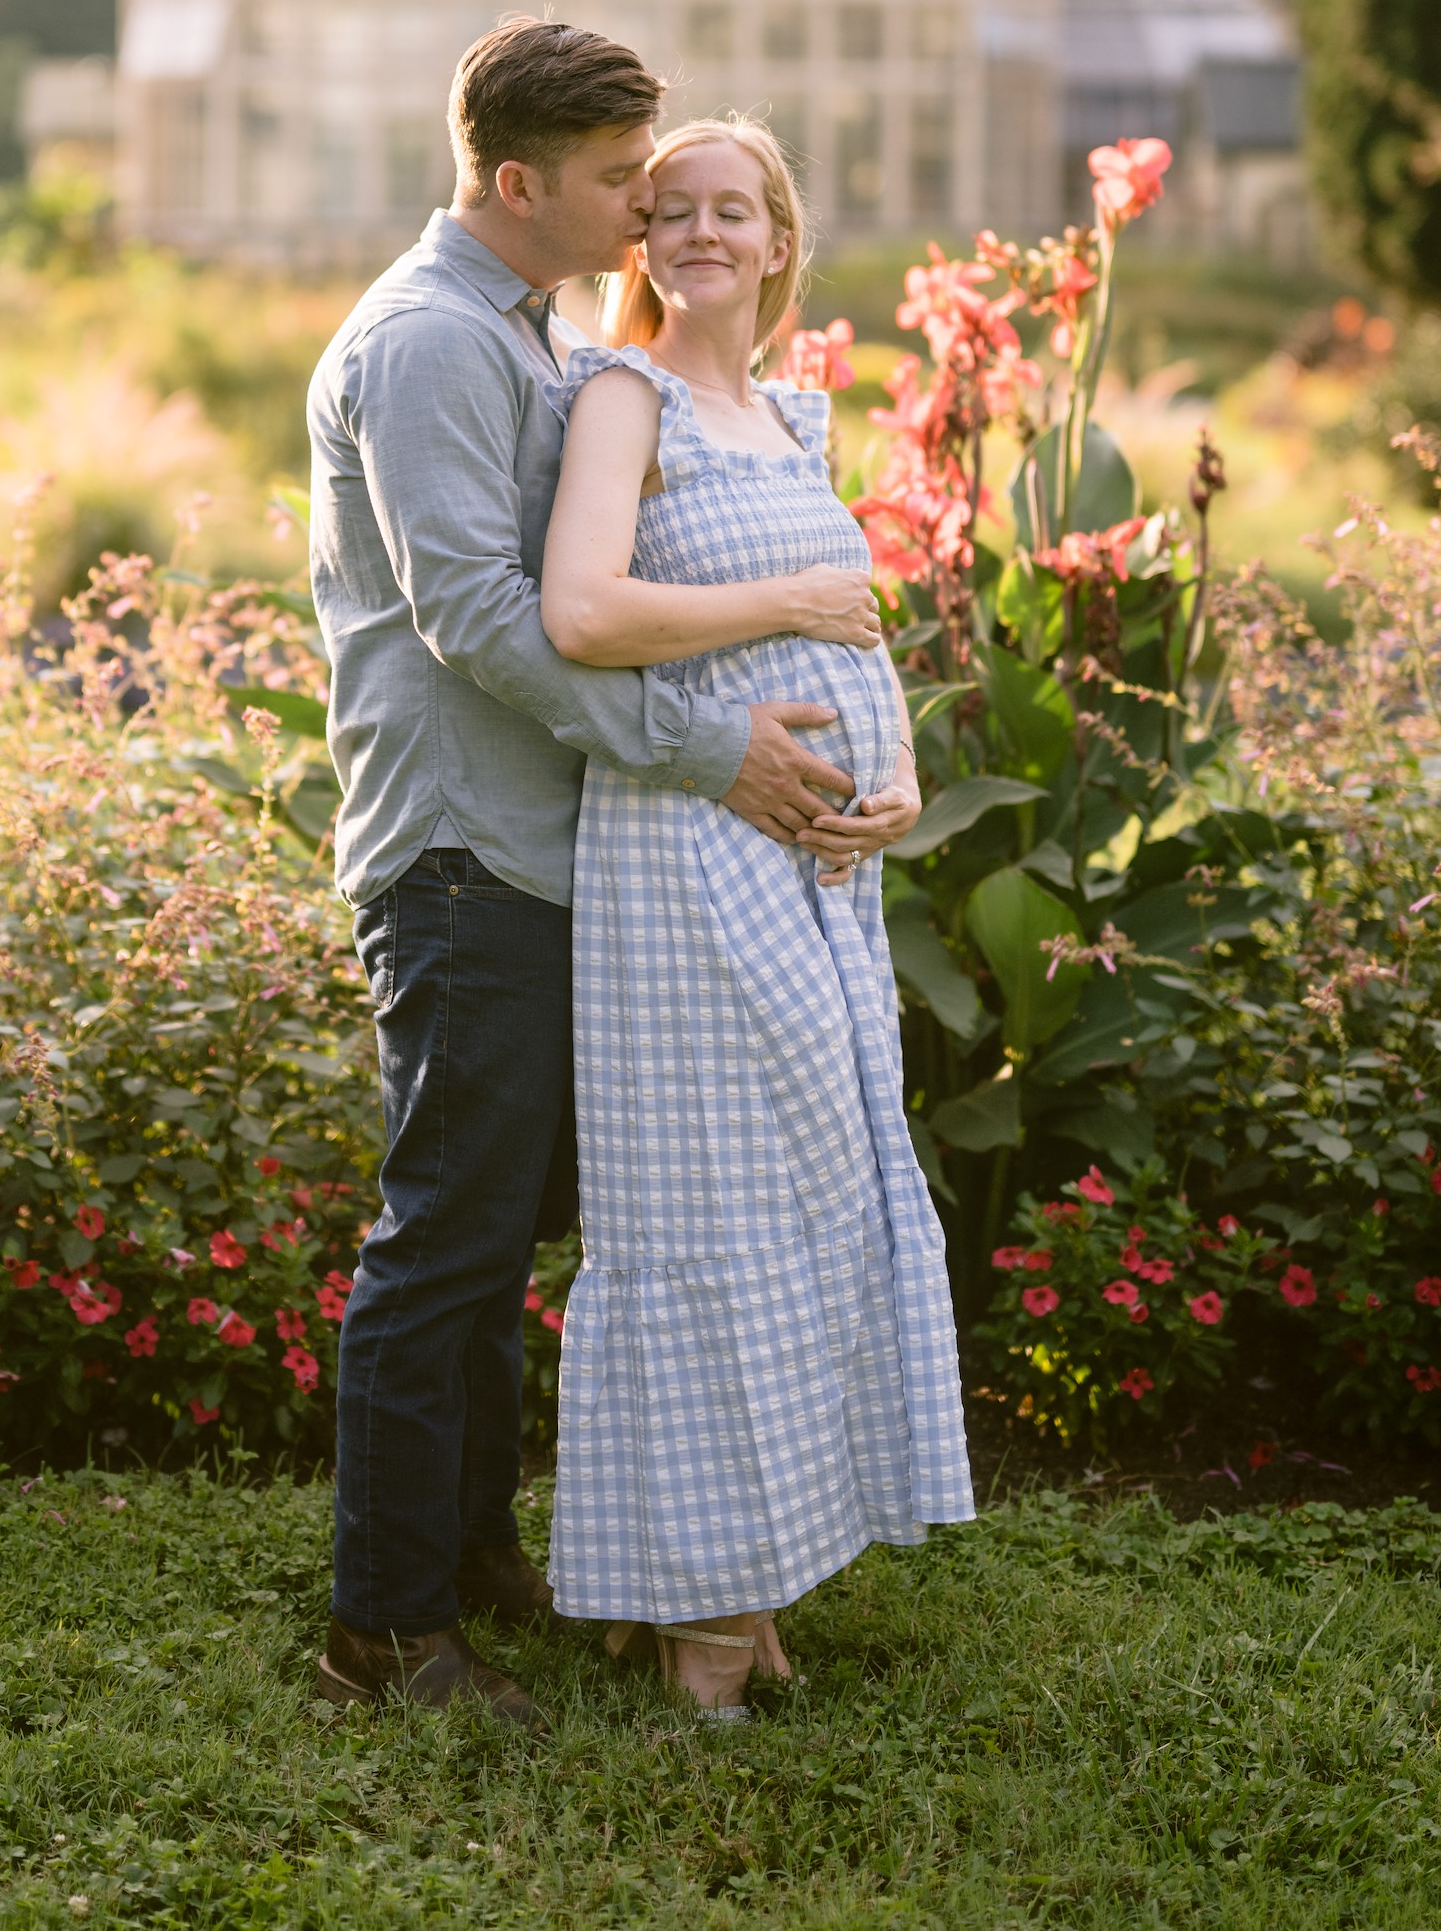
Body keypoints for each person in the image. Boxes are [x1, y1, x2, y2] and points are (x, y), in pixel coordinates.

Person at [306, 20, 905, 1724]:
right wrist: (705, 750)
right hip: (462, 851)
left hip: (542, 850)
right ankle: (380, 1632)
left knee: (502, 1237)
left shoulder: (533, 330)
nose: (647, 206)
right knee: (443, 1242)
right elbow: (482, 619)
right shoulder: (431, 341)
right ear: (518, 183)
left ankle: (472, 1558)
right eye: (619, 178)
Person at [538, 115, 975, 1718]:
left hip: (819, 879)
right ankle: (702, 1623)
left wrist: (899, 778)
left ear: (781, 243)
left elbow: (852, 640)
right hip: (686, 861)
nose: (703, 232)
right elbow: (583, 611)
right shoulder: (625, 397)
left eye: (735, 210)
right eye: (674, 210)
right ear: (642, 243)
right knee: (711, 1212)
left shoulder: (784, 419)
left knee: (803, 1205)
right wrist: (787, 603)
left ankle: (750, 1575)